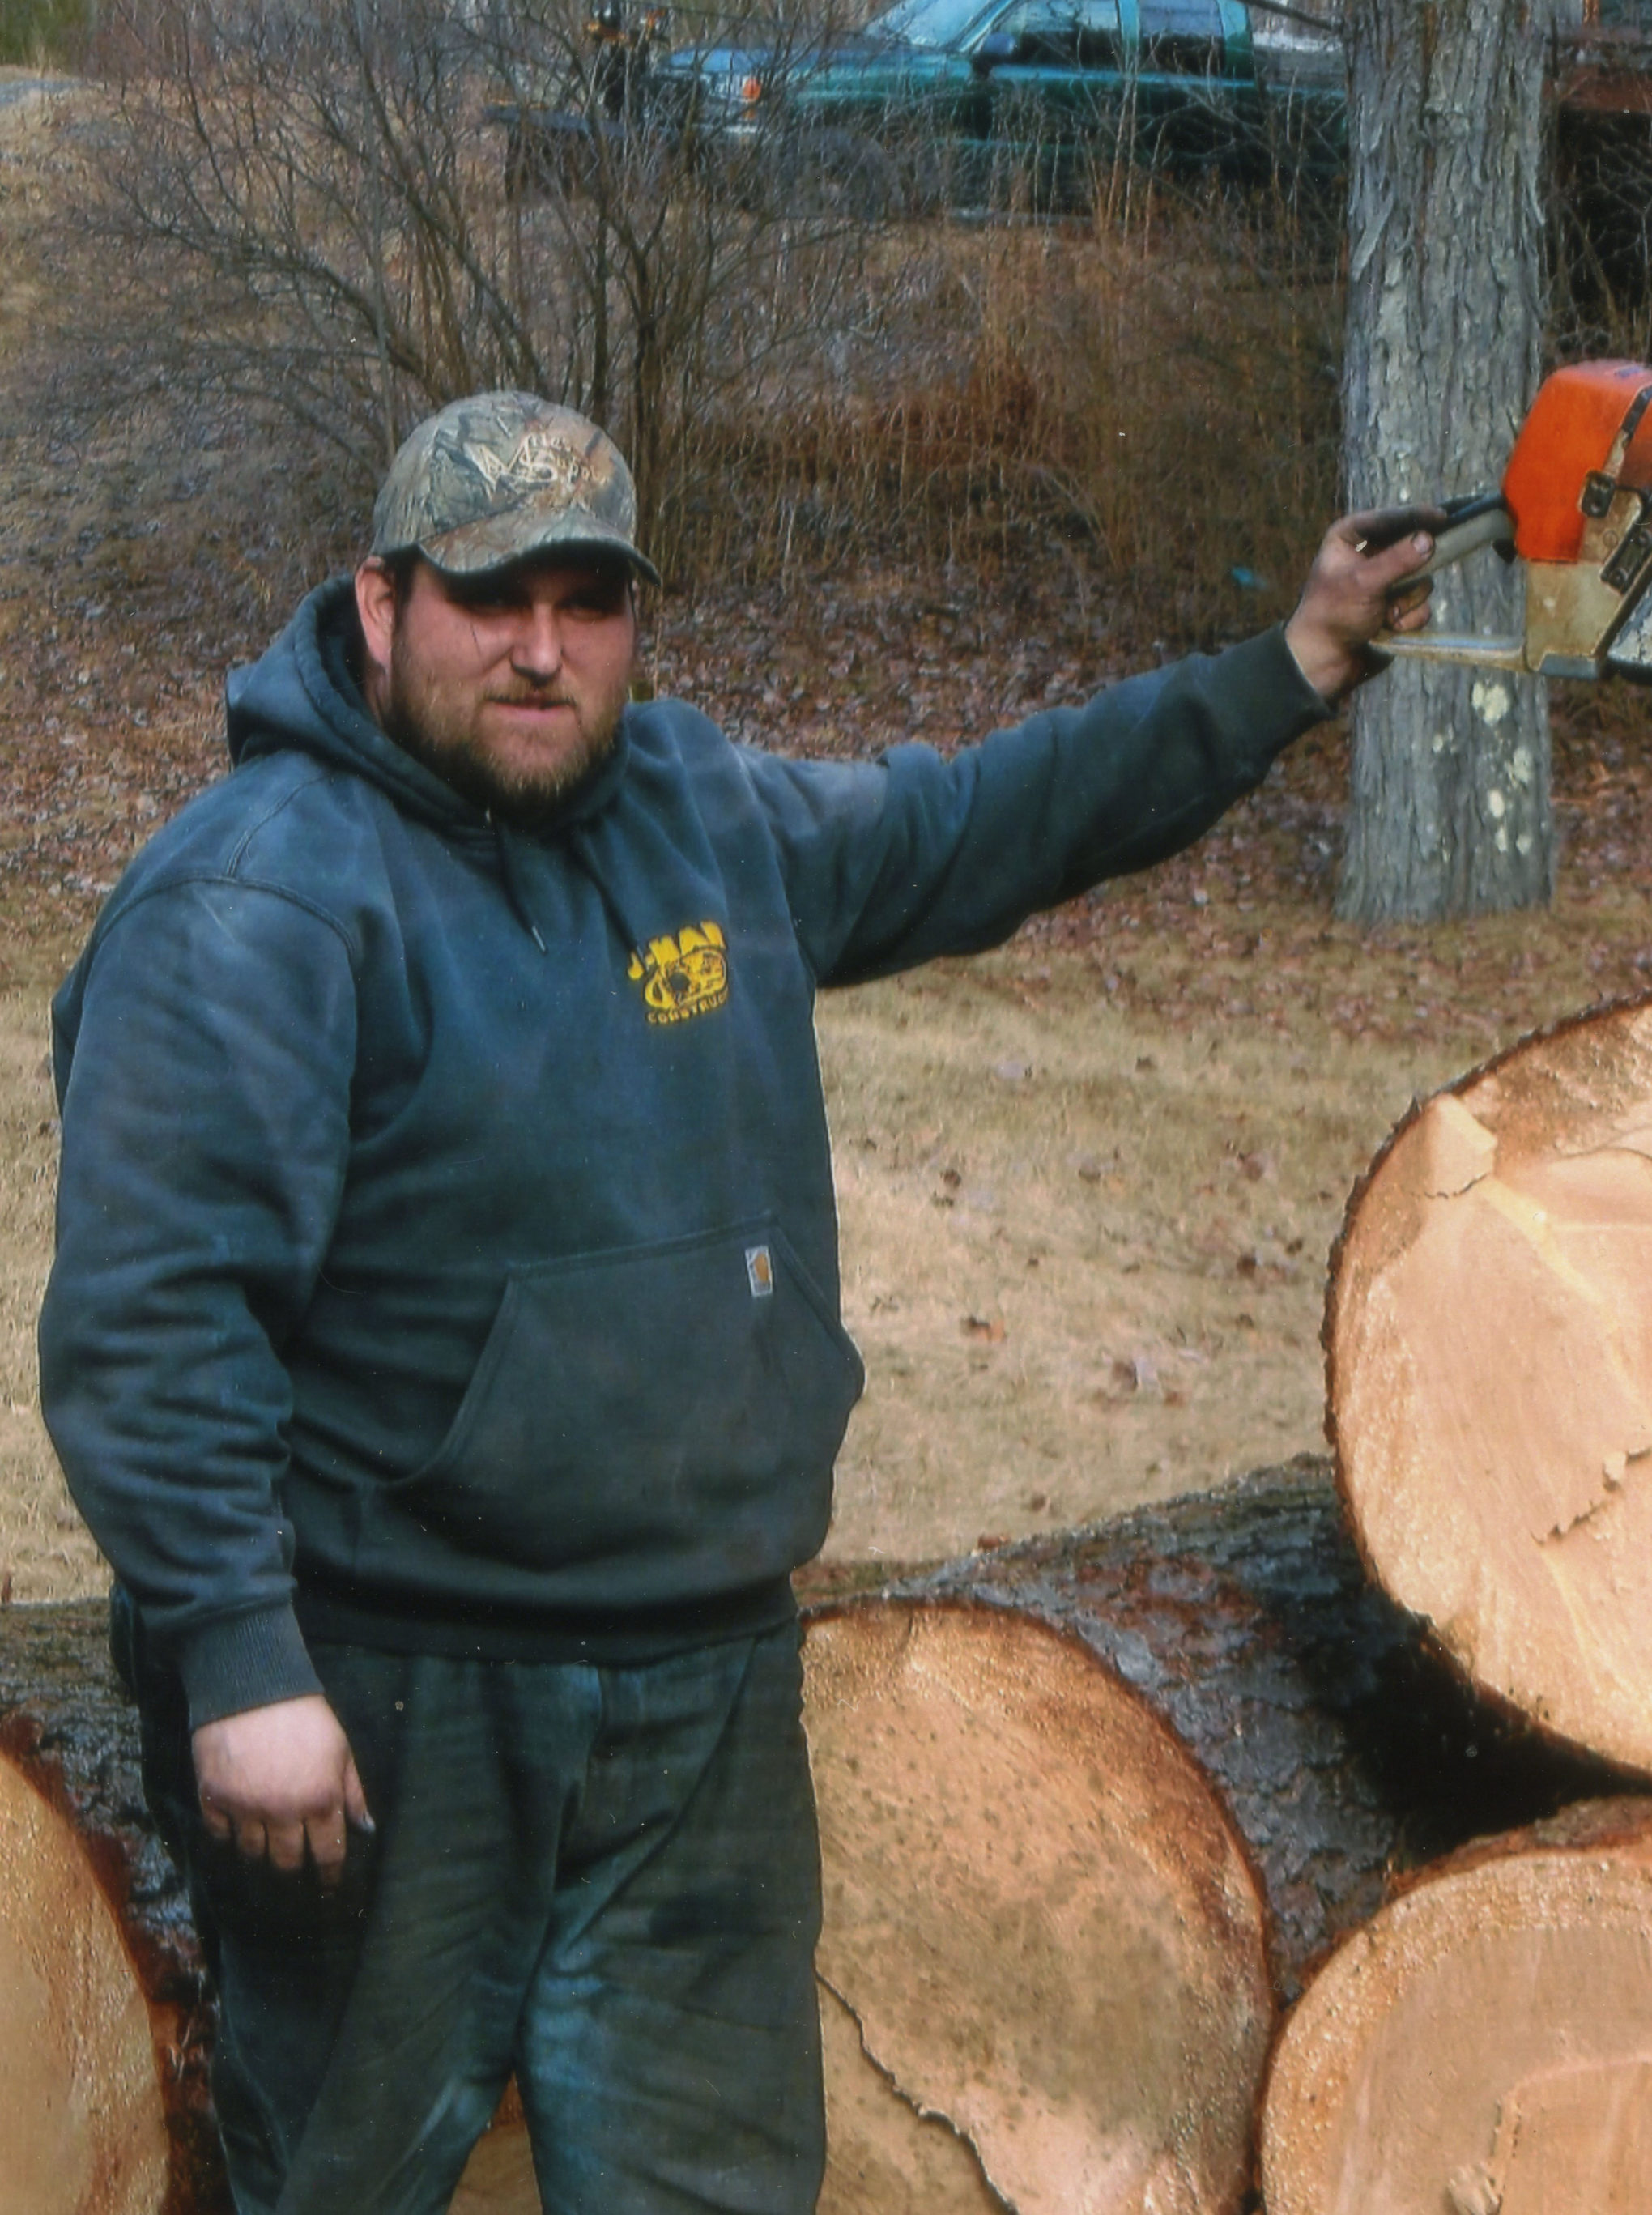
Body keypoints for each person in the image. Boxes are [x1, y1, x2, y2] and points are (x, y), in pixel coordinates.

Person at [40, 390, 1434, 2213]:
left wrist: (1292, 665)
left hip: (699, 1696)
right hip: (396, 1713)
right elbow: (153, 1310)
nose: (543, 649)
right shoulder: (260, 898)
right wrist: (237, 1655)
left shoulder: (702, 816)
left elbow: (984, 822)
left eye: (587, 600)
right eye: (490, 597)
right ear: (380, 610)